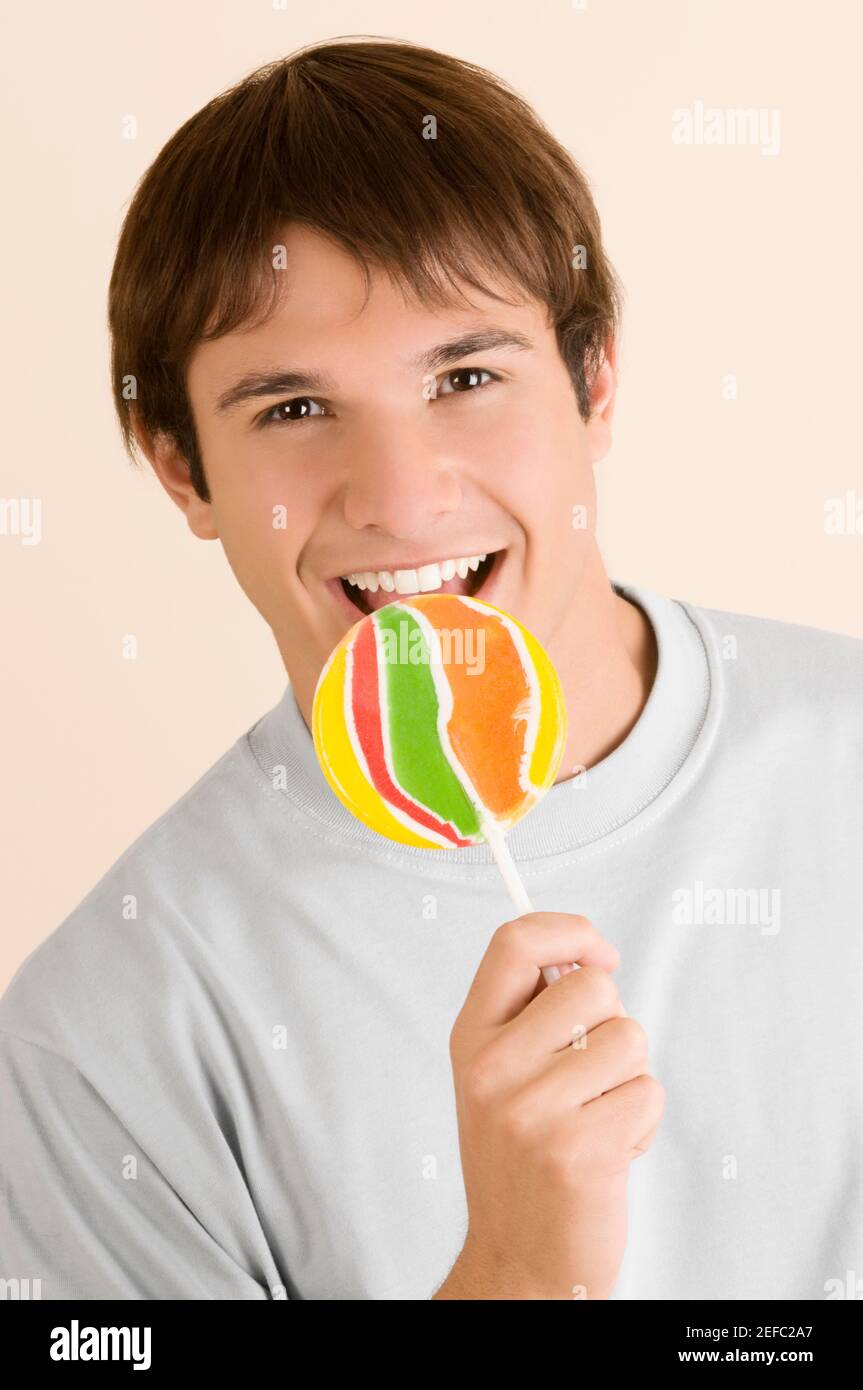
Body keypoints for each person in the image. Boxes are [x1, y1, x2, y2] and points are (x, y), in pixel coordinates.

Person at [1, 37, 861, 1302]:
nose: (400, 501)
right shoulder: (100, 1039)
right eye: (291, 409)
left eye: (465, 376)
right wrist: (511, 1267)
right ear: (181, 466)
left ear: (595, 381)